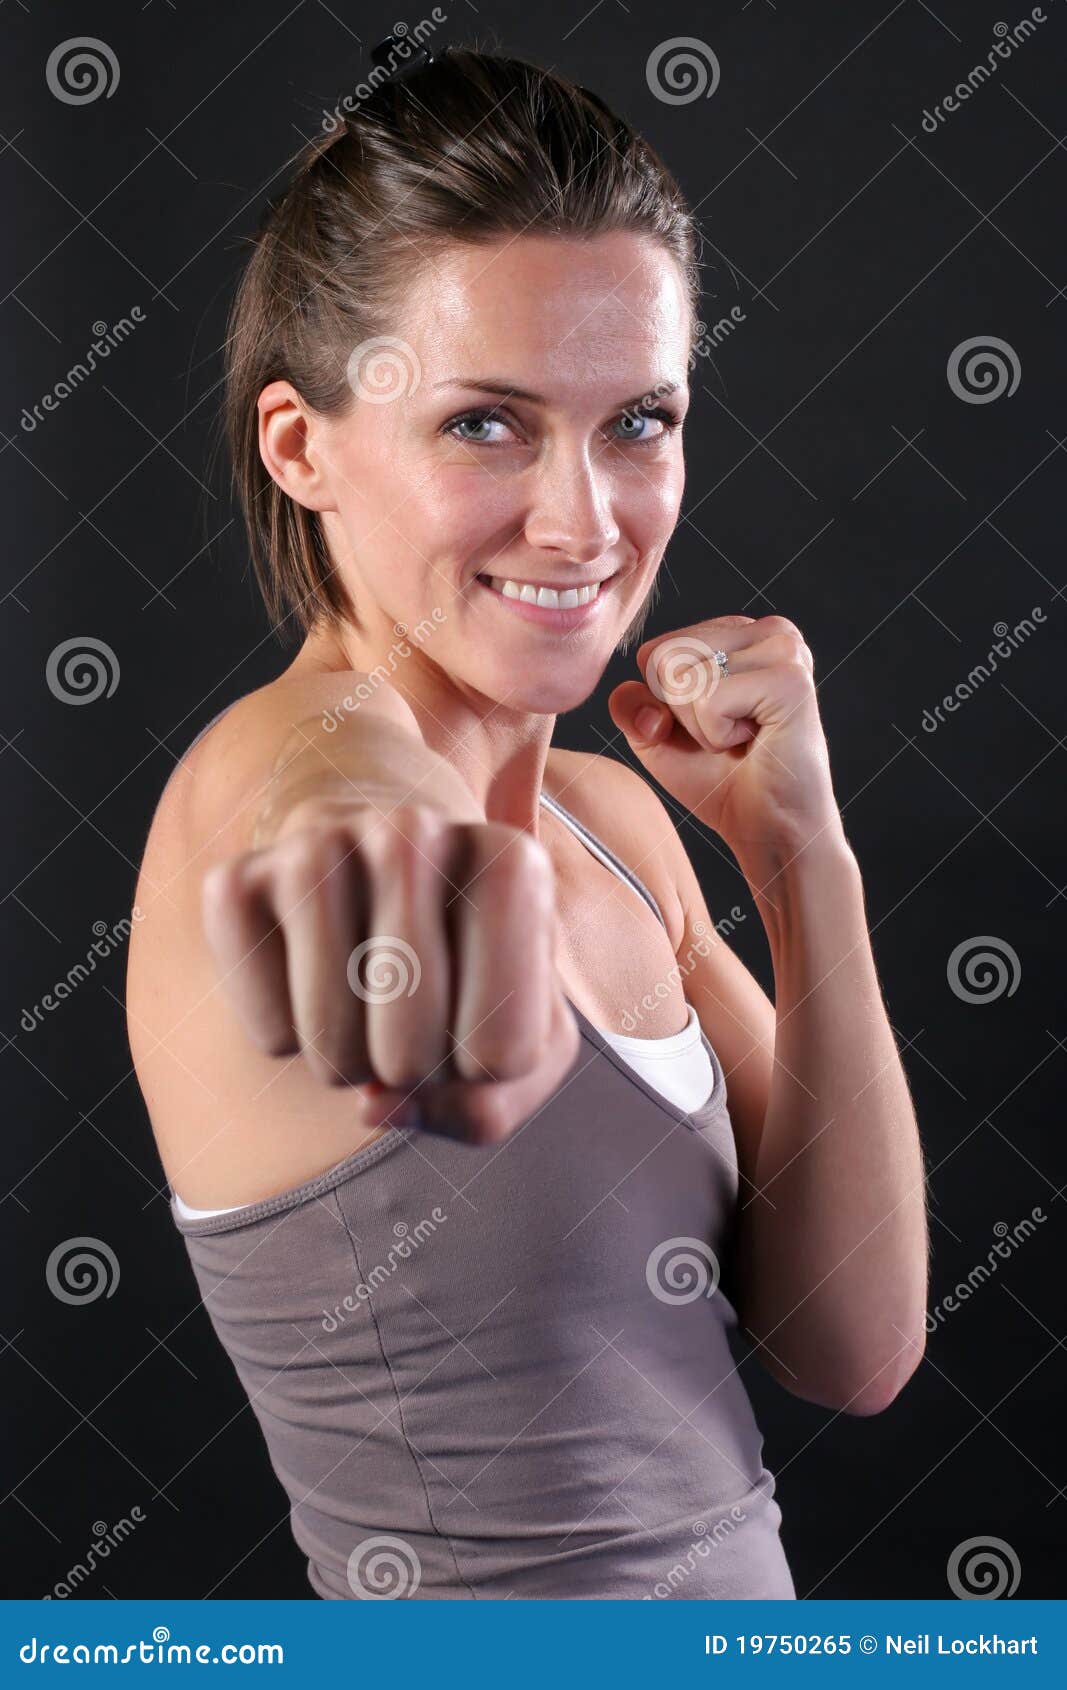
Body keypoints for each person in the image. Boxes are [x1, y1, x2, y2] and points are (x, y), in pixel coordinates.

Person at [127, 39, 929, 1601]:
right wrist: (372, 864)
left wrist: (800, 858)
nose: (583, 519)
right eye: (485, 424)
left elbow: (858, 1341)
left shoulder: (613, 822)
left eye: (637, 421)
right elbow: (329, 794)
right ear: (302, 446)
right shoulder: (271, 772)